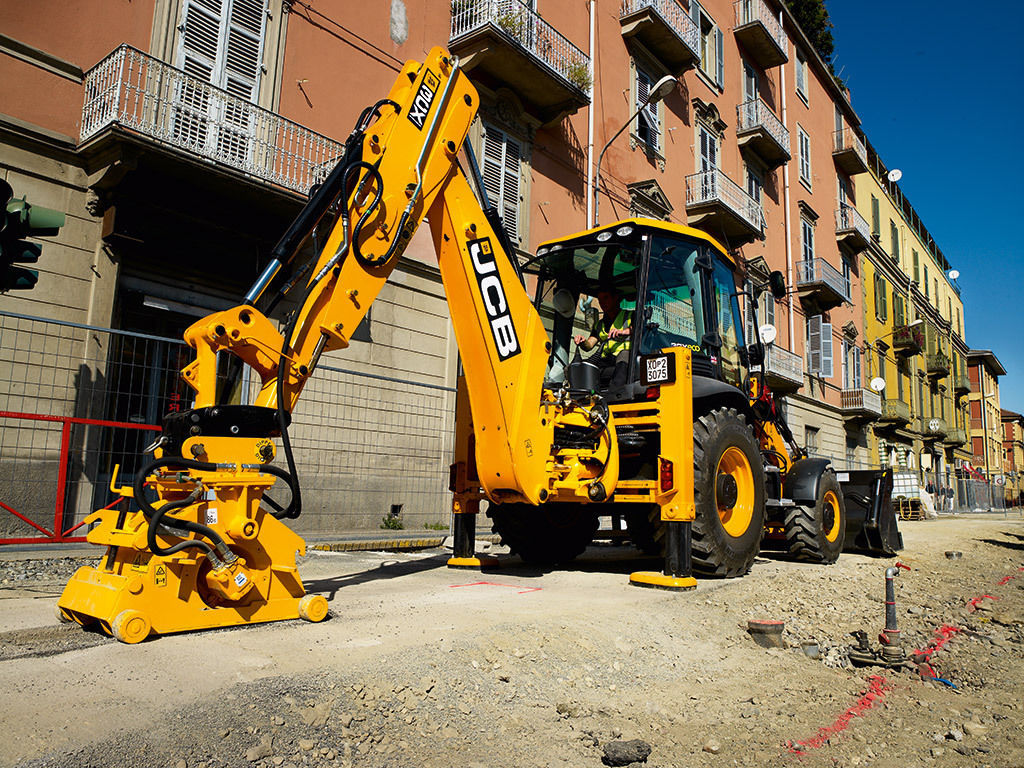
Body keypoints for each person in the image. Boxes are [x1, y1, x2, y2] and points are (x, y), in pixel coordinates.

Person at [573, 287, 632, 388]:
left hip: (624, 357)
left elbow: (637, 329)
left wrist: (624, 332)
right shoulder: (600, 324)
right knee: (575, 369)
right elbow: (589, 345)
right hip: (606, 359)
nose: (602, 302)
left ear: (615, 298)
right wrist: (583, 341)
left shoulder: (630, 315)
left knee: (624, 355)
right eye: (600, 300)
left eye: (606, 298)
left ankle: (616, 392)